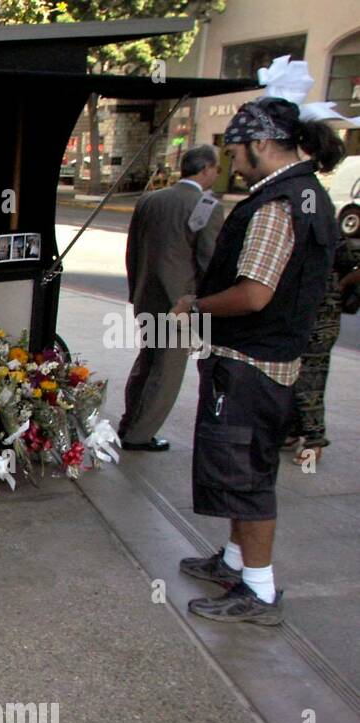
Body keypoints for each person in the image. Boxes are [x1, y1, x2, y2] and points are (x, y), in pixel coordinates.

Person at [171, 95, 344, 625]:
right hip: (271, 361)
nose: (231, 161)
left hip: (250, 365)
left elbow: (254, 294)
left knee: (245, 477)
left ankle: (258, 591)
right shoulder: (309, 194)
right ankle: (234, 561)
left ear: (263, 144)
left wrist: (195, 304)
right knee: (240, 469)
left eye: (237, 149)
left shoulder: (275, 206)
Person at [119, 144, 224, 451]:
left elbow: (133, 252)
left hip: (146, 296)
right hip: (179, 303)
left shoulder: (151, 199)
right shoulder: (206, 205)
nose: (217, 174)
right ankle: (139, 434)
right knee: (166, 373)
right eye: (216, 168)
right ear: (205, 169)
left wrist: (135, 289)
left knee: (146, 363)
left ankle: (130, 422)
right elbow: (208, 260)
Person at [282, 239, 360, 465]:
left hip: (320, 324)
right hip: (300, 319)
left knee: (309, 381)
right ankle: (292, 432)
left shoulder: (335, 243)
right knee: (294, 379)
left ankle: (313, 442)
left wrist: (343, 283)